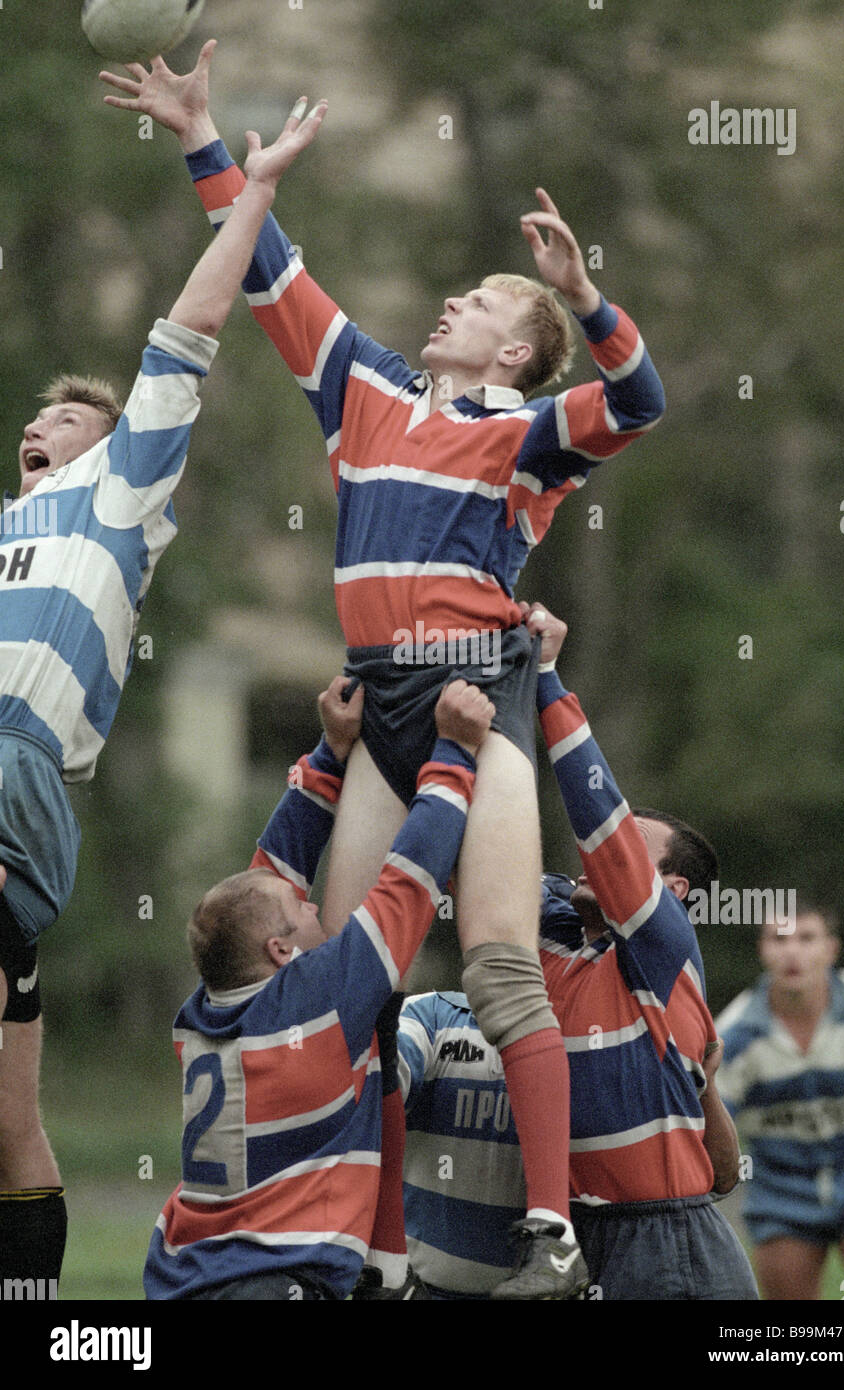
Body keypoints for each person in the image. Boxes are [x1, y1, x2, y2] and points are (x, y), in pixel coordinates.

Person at [100, 42, 664, 1295]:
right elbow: (269, 273)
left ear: (516, 352)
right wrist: (203, 139)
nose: (453, 303)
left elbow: (639, 401)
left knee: (501, 963)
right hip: (382, 709)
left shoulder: (524, 435)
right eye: (465, 290)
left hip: (482, 694)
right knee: (352, 989)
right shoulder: (364, 387)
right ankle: (391, 1252)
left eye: (480, 299)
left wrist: (578, 296)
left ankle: (550, 1234)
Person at [0, 110, 326, 1288]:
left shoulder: (123, 489)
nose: (40, 425)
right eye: (33, 421)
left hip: (18, 768)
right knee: (11, 1119)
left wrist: (250, 178)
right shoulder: (8, 527)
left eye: (69, 418)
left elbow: (191, 318)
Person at [395, 602, 757, 1299]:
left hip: (666, 1238)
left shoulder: (661, 948)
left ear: (672, 889)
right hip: (583, 1240)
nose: (599, 855)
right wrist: (452, 717)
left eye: (628, 847)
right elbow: (466, 852)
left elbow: (596, 818)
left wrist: (549, 684)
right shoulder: (558, 935)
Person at [144, 676, 493, 1300]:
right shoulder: (321, 1003)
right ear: (280, 951)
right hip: (269, 1283)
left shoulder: (202, 1015)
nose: (315, 910)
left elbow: (262, 887)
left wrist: (330, 754)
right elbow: (409, 882)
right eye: (302, 909)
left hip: (182, 1275)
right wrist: (454, 755)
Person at [717, 906, 844, 1300]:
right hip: (782, 1194)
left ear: (831, 949)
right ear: (763, 950)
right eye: (779, 939)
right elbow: (706, 1130)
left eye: (806, 938)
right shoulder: (734, 1035)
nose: (792, 952)